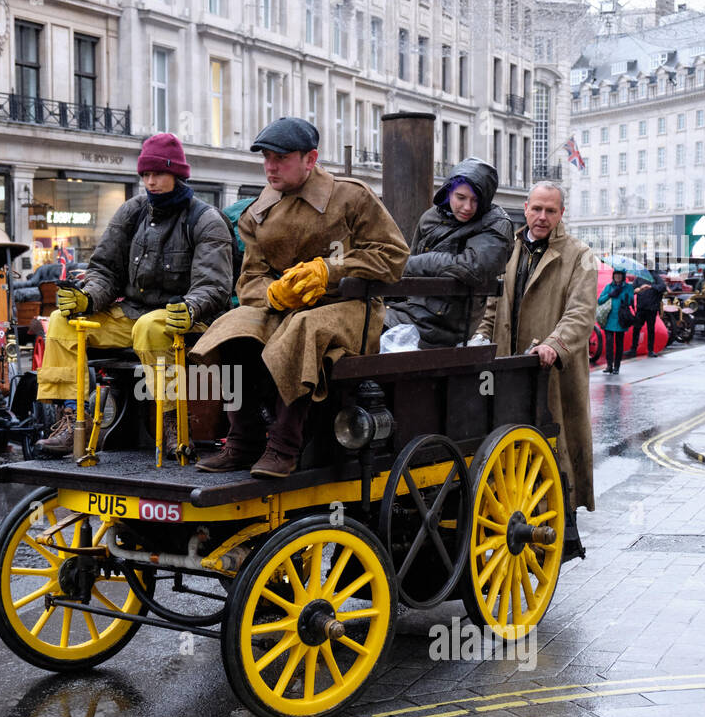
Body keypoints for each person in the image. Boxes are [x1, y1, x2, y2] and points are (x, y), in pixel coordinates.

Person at [191, 116, 409, 478]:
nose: (270, 166)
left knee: (302, 329)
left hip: (351, 308)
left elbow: (393, 256)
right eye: (265, 158)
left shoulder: (352, 197)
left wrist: (331, 270)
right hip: (285, 309)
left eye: (281, 158)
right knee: (229, 327)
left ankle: (284, 446)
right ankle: (242, 441)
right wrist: (274, 294)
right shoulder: (260, 209)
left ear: (311, 158)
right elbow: (250, 280)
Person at [36, 132, 233, 456]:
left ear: (178, 174)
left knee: (149, 328)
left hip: (187, 320)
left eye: (158, 174)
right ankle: (72, 419)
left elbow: (214, 286)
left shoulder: (206, 220)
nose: (150, 181)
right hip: (133, 314)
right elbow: (105, 269)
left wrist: (190, 307)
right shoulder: (133, 211)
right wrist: (87, 298)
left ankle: (172, 425)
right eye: (145, 175)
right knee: (60, 321)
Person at [476, 182, 596, 561]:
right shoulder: (508, 250)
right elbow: (493, 307)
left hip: (553, 374)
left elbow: (580, 314)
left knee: (554, 452)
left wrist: (554, 345)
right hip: (508, 372)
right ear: (525, 208)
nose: (542, 217)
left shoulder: (579, 255)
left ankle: (559, 537)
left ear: (562, 214)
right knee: (508, 453)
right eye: (537, 209)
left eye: (551, 211)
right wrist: (480, 338)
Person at [386, 158, 512, 348]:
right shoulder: (430, 218)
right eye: (461, 197)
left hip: (443, 326)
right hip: (413, 311)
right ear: (448, 191)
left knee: (358, 325)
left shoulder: (496, 224)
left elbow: (474, 268)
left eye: (475, 200)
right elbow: (408, 268)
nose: (468, 207)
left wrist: (420, 263)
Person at [597, 267, 634, 374]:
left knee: (619, 344)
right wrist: (610, 294)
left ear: (623, 277)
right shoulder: (609, 287)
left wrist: (624, 296)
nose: (617, 277)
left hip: (621, 319)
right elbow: (600, 300)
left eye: (620, 275)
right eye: (616, 275)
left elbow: (631, 300)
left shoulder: (628, 287)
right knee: (609, 344)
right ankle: (609, 366)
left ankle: (616, 367)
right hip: (609, 319)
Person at [628, 269, 666, 358]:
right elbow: (632, 289)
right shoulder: (639, 277)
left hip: (651, 308)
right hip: (641, 307)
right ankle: (633, 349)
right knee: (636, 328)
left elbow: (662, 287)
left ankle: (650, 350)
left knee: (651, 330)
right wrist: (638, 289)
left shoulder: (655, 276)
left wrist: (651, 287)